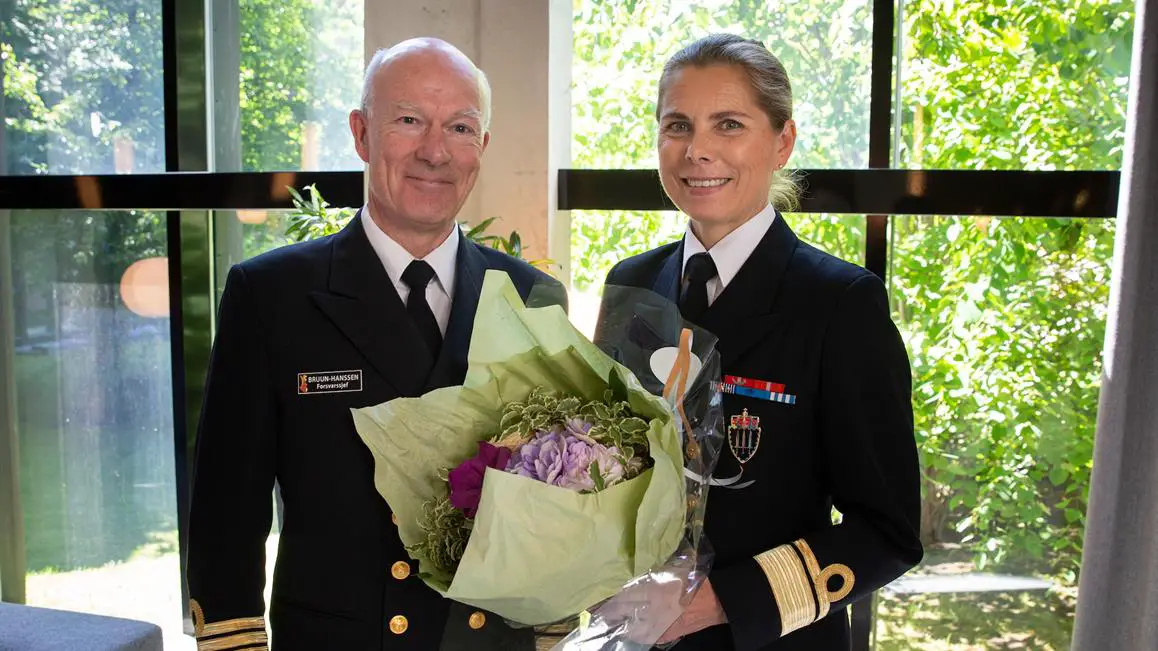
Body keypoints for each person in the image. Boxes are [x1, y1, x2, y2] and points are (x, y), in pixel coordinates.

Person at [185, 38, 560, 651]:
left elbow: (551, 501)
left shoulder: (529, 296)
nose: (435, 151)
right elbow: (229, 511)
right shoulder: (272, 295)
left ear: (482, 148)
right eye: (409, 120)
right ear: (361, 134)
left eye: (461, 128)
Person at [597, 34, 923, 650]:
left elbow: (889, 531)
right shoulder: (631, 282)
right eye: (677, 126)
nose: (698, 151)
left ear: (782, 142)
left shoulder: (840, 303)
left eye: (729, 124)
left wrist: (714, 603)